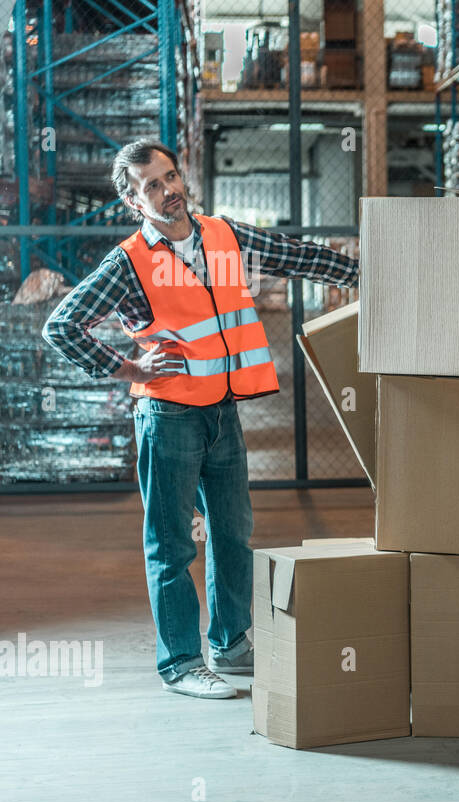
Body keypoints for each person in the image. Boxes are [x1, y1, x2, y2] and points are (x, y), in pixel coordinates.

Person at [42, 139, 360, 700]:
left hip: (222, 412)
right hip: (167, 419)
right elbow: (62, 326)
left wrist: (360, 272)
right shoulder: (128, 263)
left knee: (234, 533)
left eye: (171, 178)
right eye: (152, 188)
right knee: (172, 545)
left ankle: (232, 643)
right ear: (133, 202)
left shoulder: (223, 235)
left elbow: (296, 255)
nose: (169, 192)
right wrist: (126, 367)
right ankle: (182, 663)